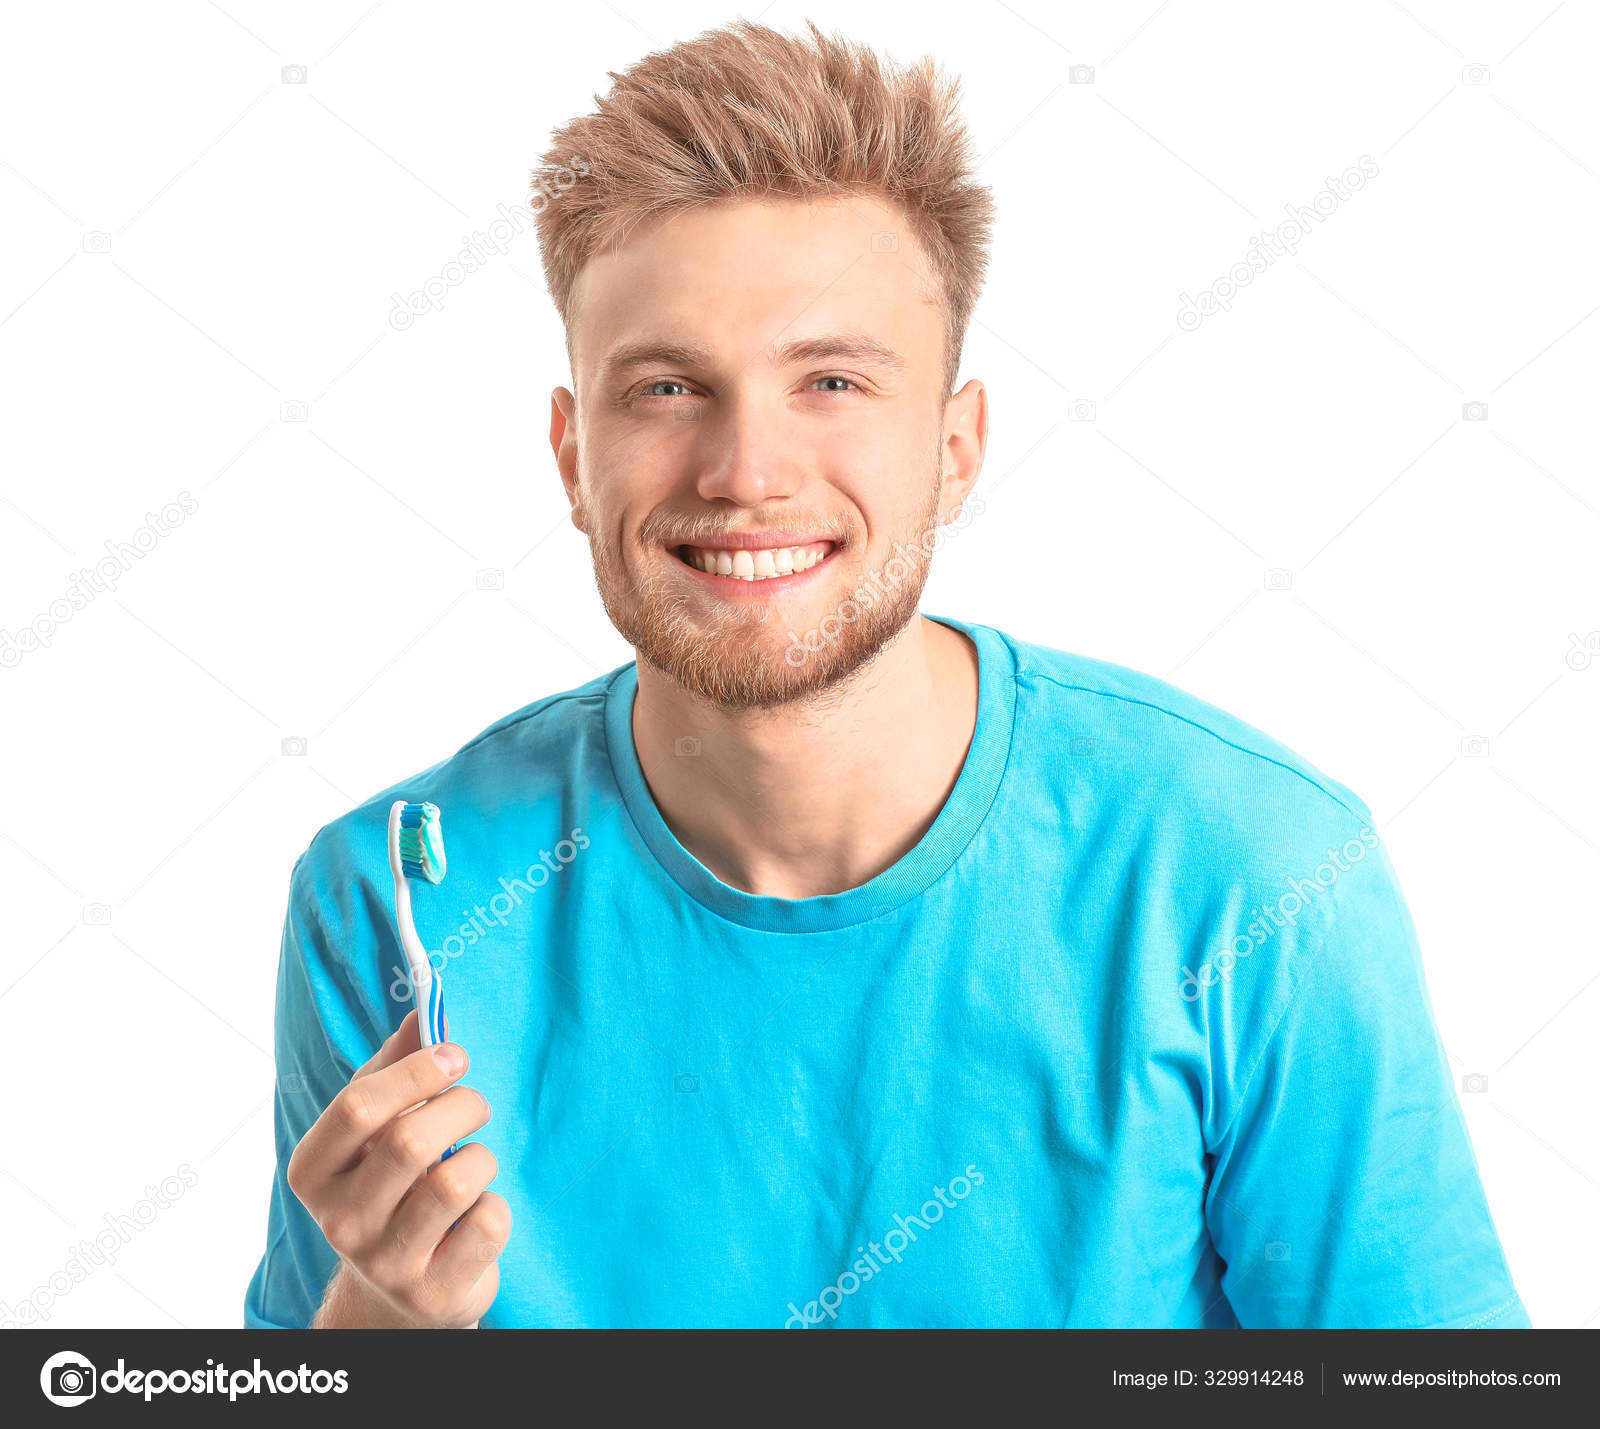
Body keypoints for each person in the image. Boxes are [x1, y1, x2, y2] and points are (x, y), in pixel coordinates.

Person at [246, 19, 1527, 1329]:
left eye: (833, 380)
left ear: (956, 448)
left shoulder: (1246, 873)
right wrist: (383, 1324)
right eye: (670, 387)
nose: (745, 471)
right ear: (573, 456)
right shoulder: (397, 897)